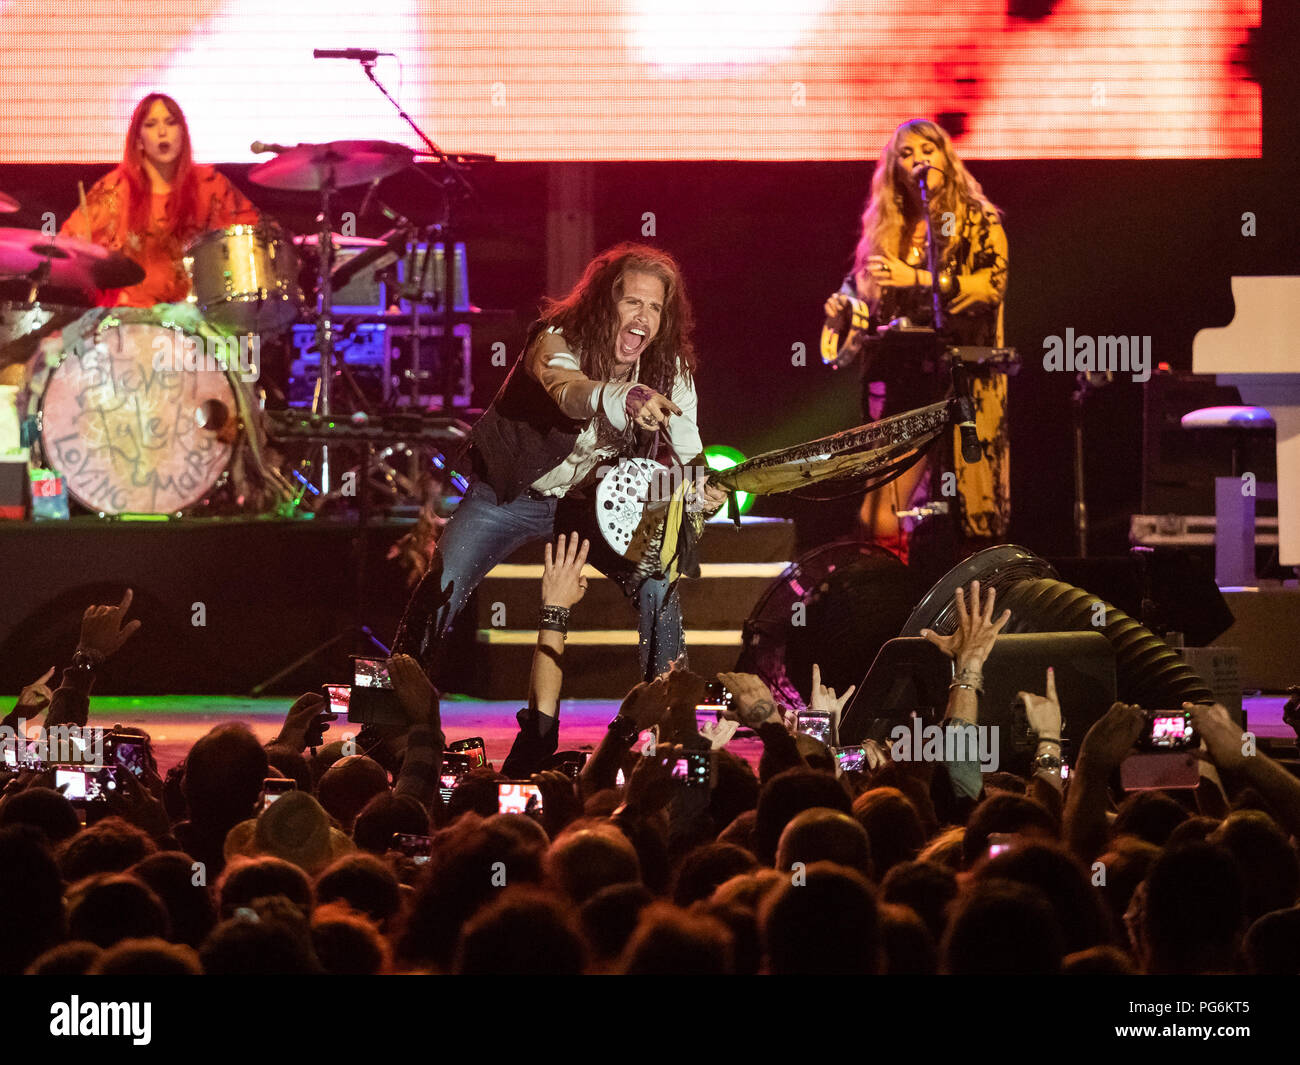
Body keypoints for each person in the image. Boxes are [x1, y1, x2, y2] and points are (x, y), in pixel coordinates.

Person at [394, 242, 727, 683]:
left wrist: (703, 495)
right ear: (604, 304)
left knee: (658, 583)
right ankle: (392, 716)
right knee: (444, 584)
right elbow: (570, 392)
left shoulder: (670, 369)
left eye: (654, 307)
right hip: (508, 494)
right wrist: (621, 395)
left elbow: (689, 455)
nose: (643, 318)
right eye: (632, 302)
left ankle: (669, 718)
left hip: (589, 504)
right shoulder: (555, 339)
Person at [823, 118, 1009, 560]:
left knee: (965, 514)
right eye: (905, 154)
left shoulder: (977, 219)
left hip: (962, 381)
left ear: (946, 157)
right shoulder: (890, 229)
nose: (917, 159)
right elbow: (861, 297)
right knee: (877, 513)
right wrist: (843, 310)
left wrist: (920, 278)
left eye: (927, 149)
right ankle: (887, 602)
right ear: (893, 170)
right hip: (903, 380)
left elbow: (990, 286)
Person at [59, 92, 259, 307]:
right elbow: (69, 246)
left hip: (199, 315)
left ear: (183, 133)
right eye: (151, 125)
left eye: (171, 123)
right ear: (139, 140)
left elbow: (253, 236)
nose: (162, 132)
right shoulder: (114, 190)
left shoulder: (211, 186)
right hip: (131, 318)